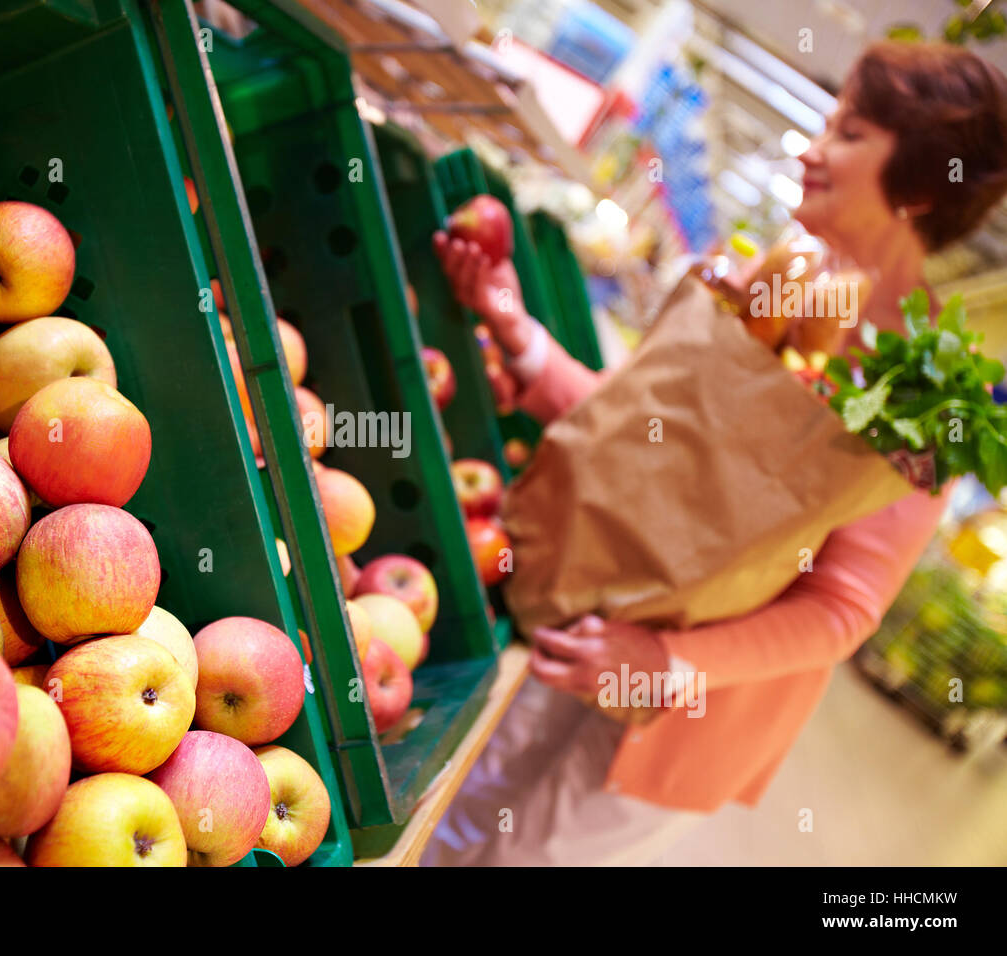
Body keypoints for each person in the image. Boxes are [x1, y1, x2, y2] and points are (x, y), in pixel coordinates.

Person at [420, 40, 1007, 867]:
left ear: (917, 185)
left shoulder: (923, 395)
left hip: (682, 710)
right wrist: (516, 329)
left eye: (848, 134)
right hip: (583, 611)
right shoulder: (760, 288)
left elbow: (842, 607)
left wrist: (664, 661)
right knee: (451, 823)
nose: (811, 147)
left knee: (519, 859)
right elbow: (622, 433)